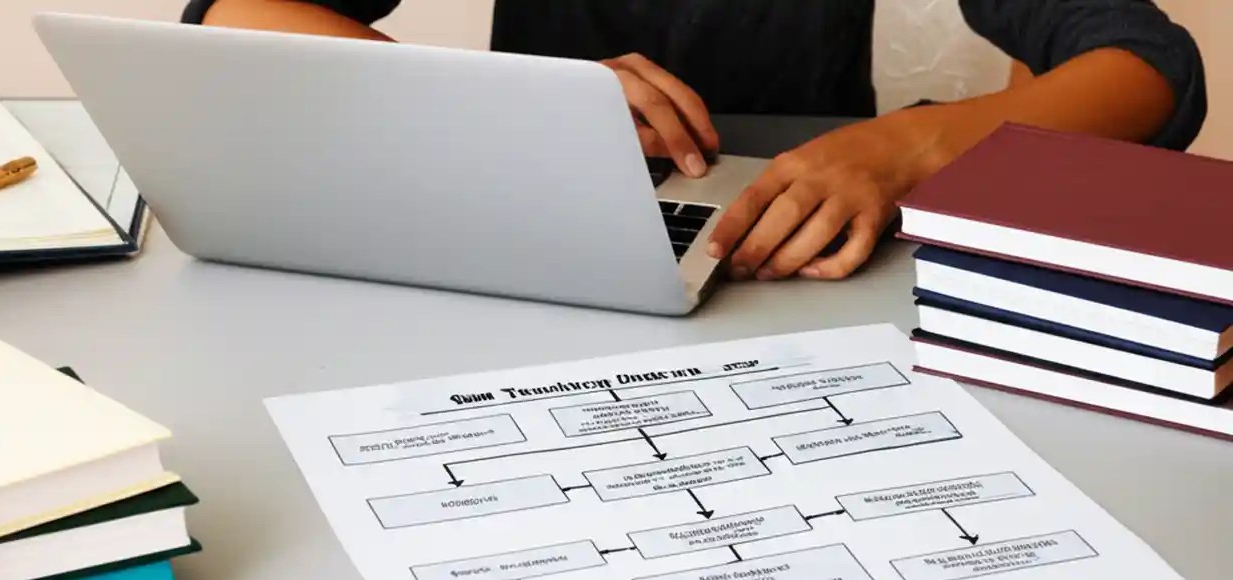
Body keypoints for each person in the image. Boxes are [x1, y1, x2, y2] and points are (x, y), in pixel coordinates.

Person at [182, 0, 1206, 282]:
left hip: (806, 251)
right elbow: (232, 14)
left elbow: (1146, 67)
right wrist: (506, 99)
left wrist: (910, 149)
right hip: (533, 241)